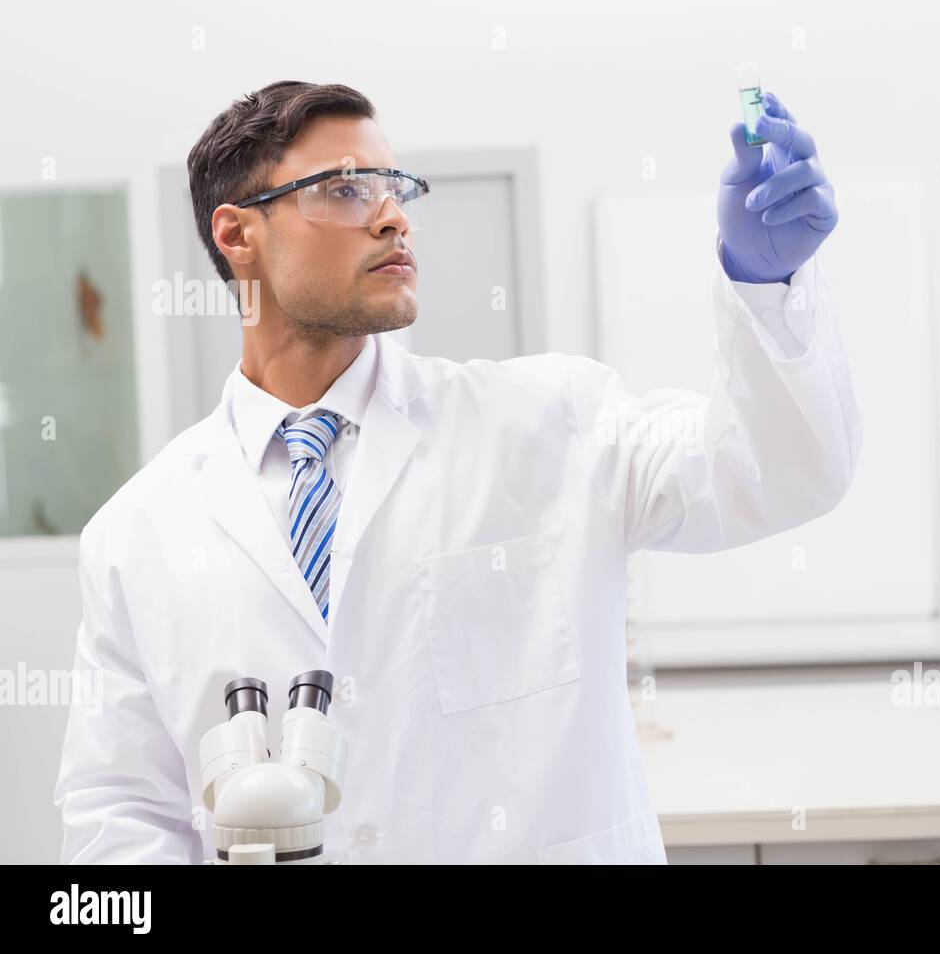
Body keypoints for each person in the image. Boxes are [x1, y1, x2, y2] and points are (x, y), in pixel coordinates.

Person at [53, 80, 861, 863]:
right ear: (238, 236)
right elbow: (120, 812)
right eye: (344, 189)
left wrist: (769, 288)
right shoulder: (138, 533)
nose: (393, 216)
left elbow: (776, 470)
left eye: (395, 187)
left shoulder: (551, 421)